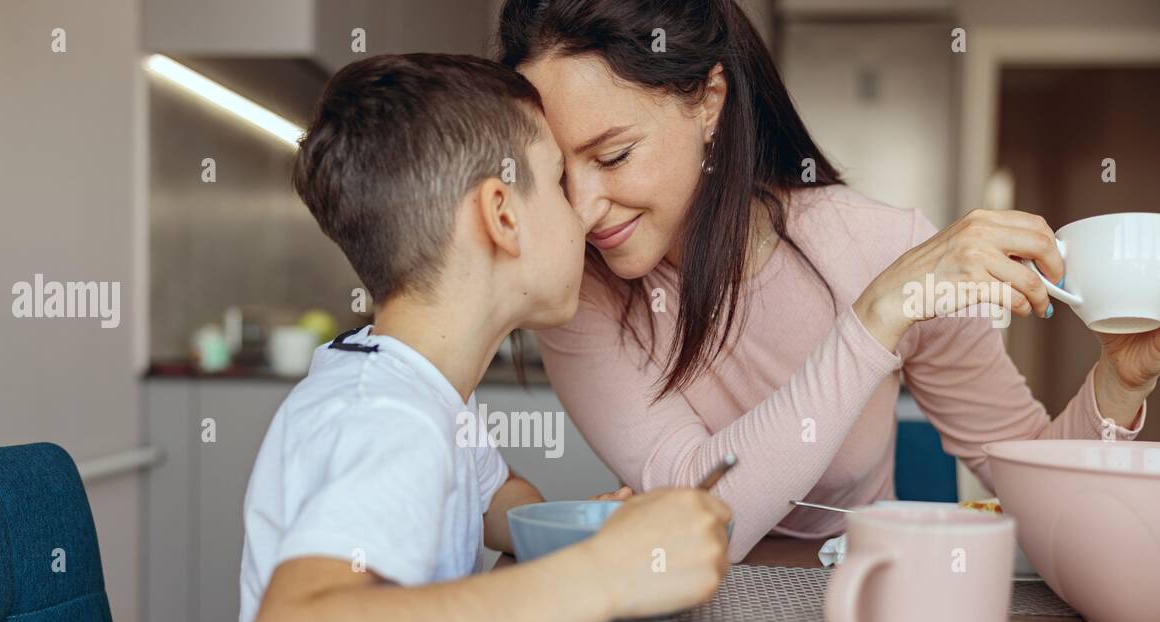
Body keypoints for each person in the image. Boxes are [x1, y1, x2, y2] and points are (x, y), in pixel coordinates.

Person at [189, 53, 733, 622]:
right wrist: (605, 576)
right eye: (556, 179)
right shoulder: (387, 423)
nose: (585, 207)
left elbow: (499, 501)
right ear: (503, 217)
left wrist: (595, 528)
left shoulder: (414, 389)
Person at [496, 0, 1158, 560]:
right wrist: (872, 319)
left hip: (866, 606)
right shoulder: (580, 292)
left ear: (708, 102)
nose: (580, 209)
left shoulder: (880, 246)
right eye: (558, 172)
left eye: (613, 155)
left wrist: (1119, 383)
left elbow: (1039, 494)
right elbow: (698, 508)